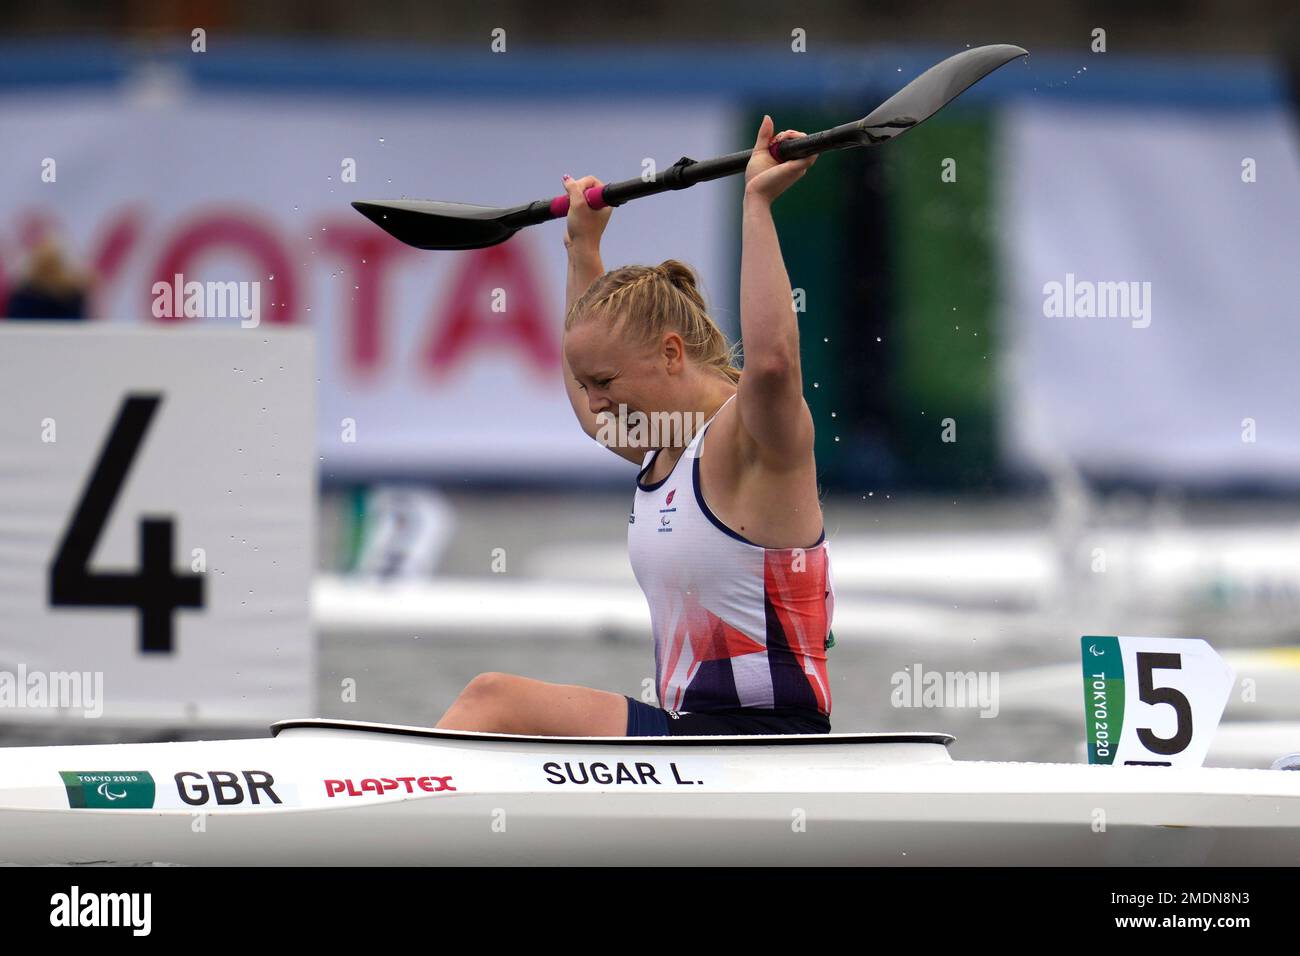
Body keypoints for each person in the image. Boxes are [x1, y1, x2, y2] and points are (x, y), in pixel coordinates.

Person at [436, 116, 833, 736]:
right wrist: (582, 249)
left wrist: (757, 203)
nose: (594, 405)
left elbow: (775, 363)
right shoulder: (667, 443)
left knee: (493, 701)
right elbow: (585, 376)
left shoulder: (753, 440)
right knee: (492, 702)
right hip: (691, 741)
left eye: (606, 385)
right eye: (589, 386)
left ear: (672, 354)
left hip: (765, 744)